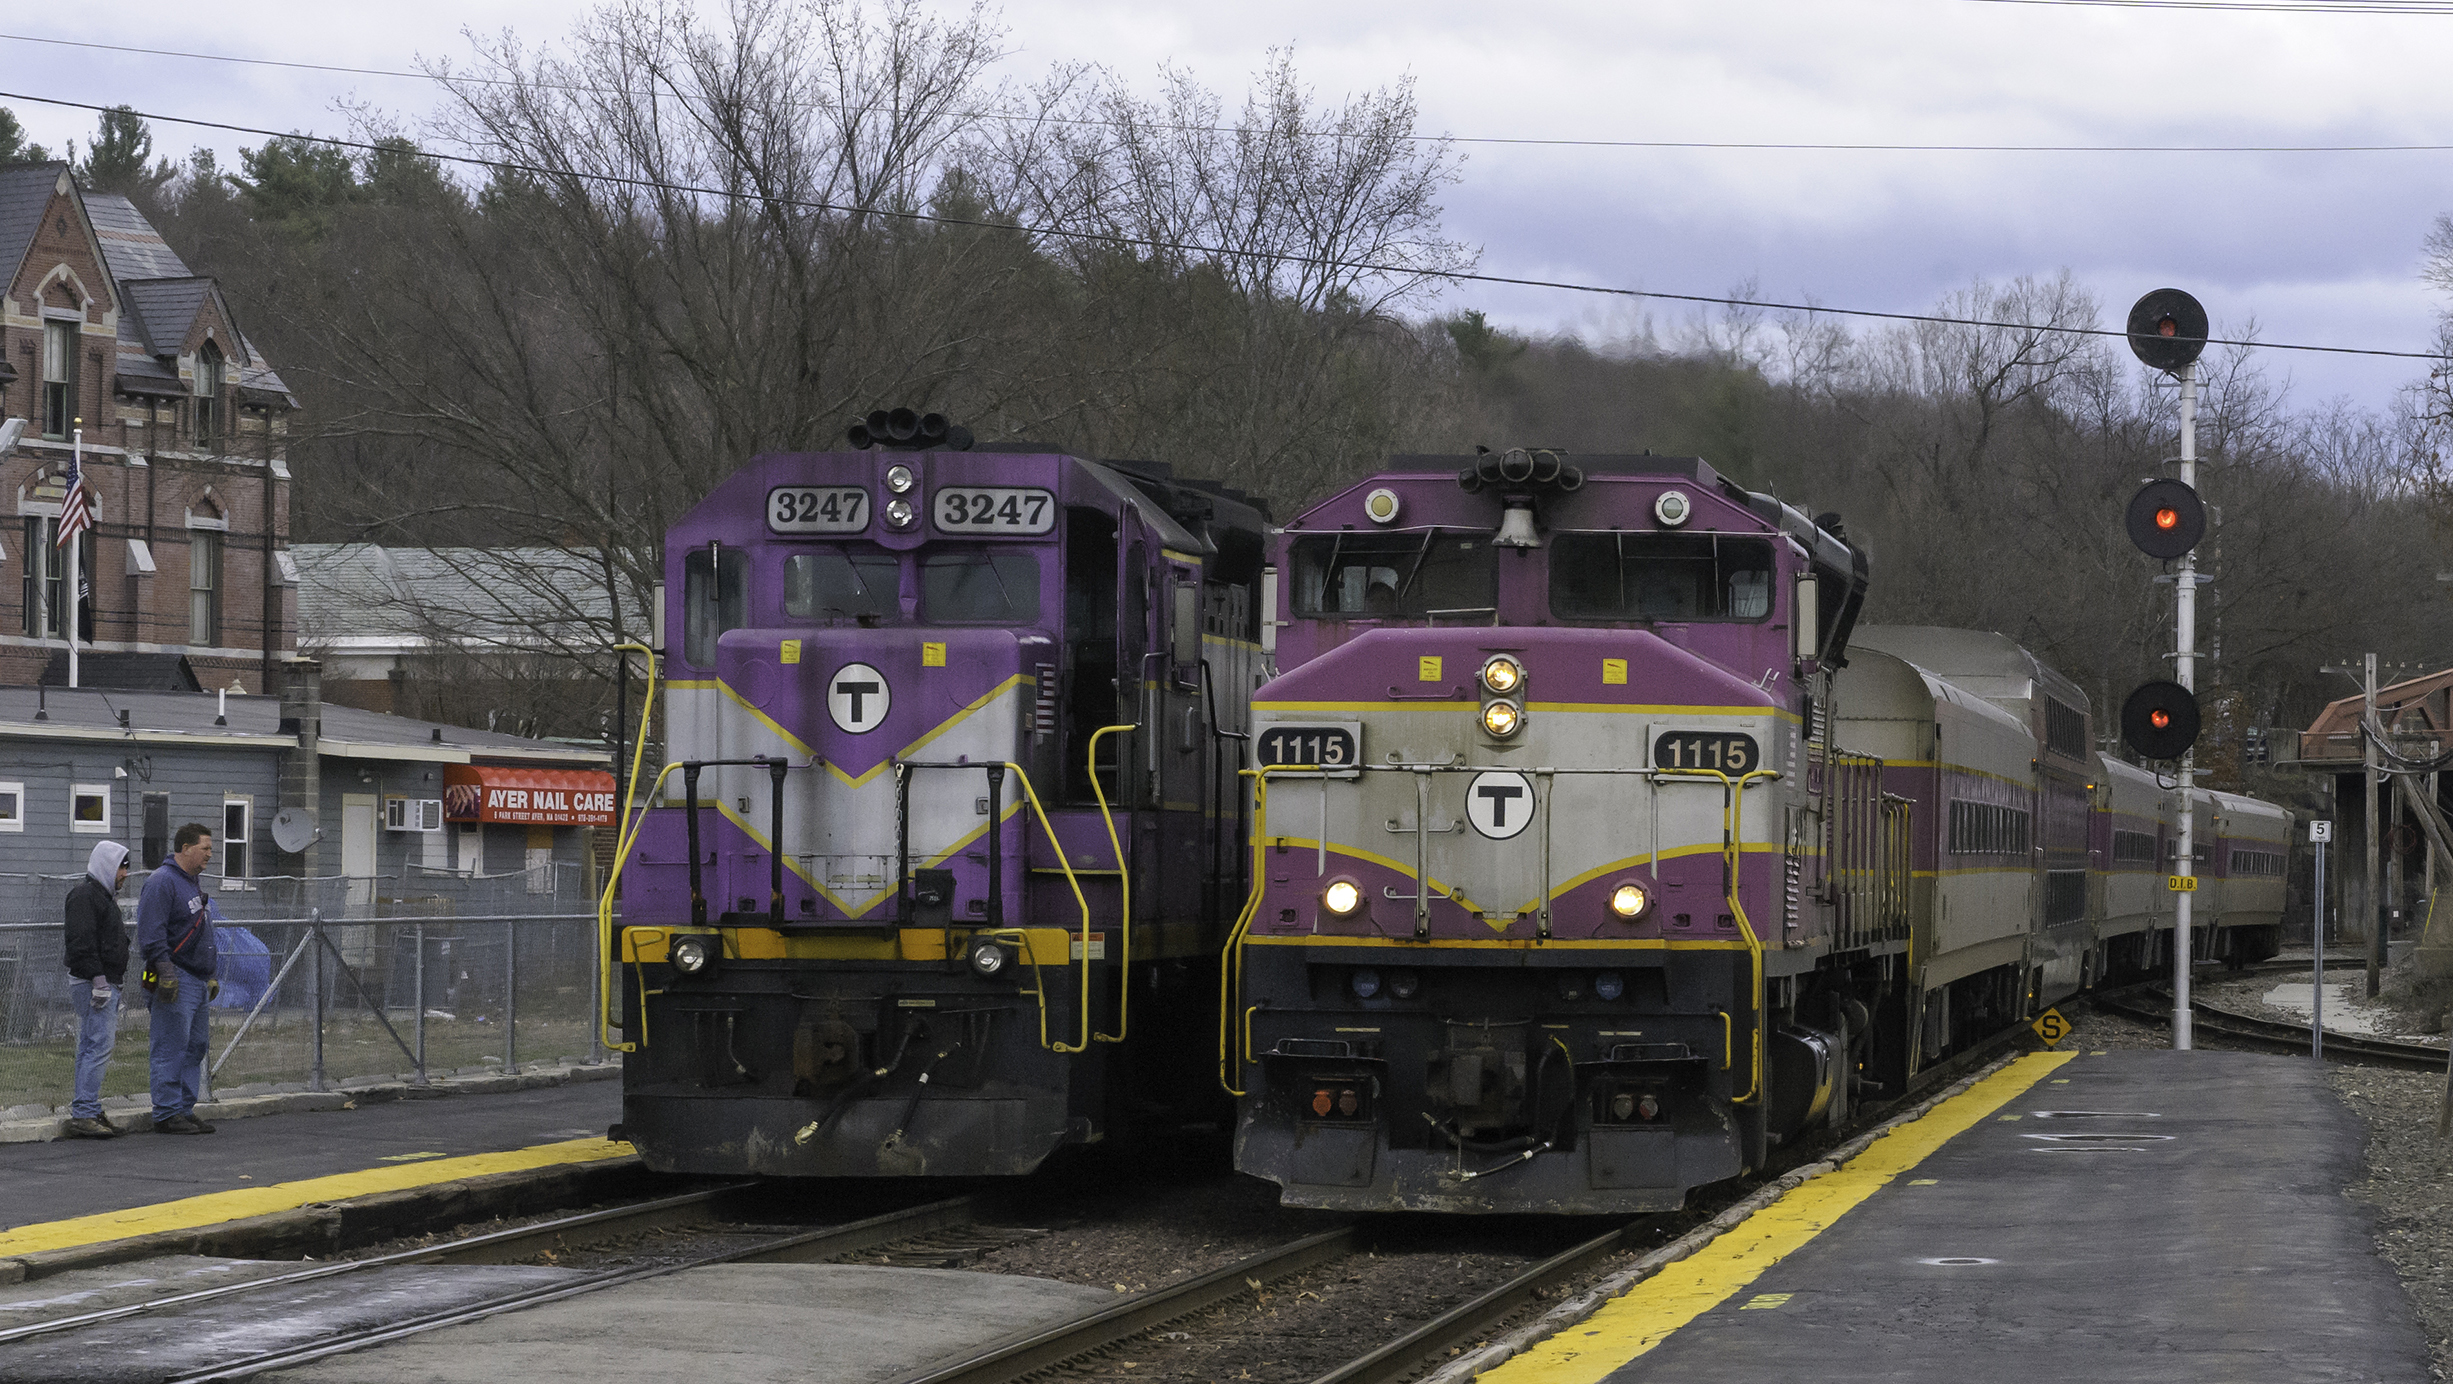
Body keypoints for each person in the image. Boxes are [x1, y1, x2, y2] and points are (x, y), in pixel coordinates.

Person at [137, 824, 221, 1135]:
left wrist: (210, 974)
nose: (210, 854)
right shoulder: (162, 882)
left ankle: (184, 1108)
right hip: (176, 975)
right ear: (185, 849)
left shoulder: (192, 884)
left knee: (195, 1045)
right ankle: (166, 1112)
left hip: (197, 978)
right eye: (205, 848)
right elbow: (151, 932)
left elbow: (201, 932)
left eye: (210, 848)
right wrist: (165, 971)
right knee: (171, 1045)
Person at [61, 840, 132, 1139]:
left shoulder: (102, 898)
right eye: (121, 867)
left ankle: (86, 1107)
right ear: (106, 865)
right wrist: (98, 979)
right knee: (98, 1047)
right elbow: (80, 942)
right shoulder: (84, 896)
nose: (125, 874)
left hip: (102, 982)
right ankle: (84, 1112)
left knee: (90, 1046)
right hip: (93, 984)